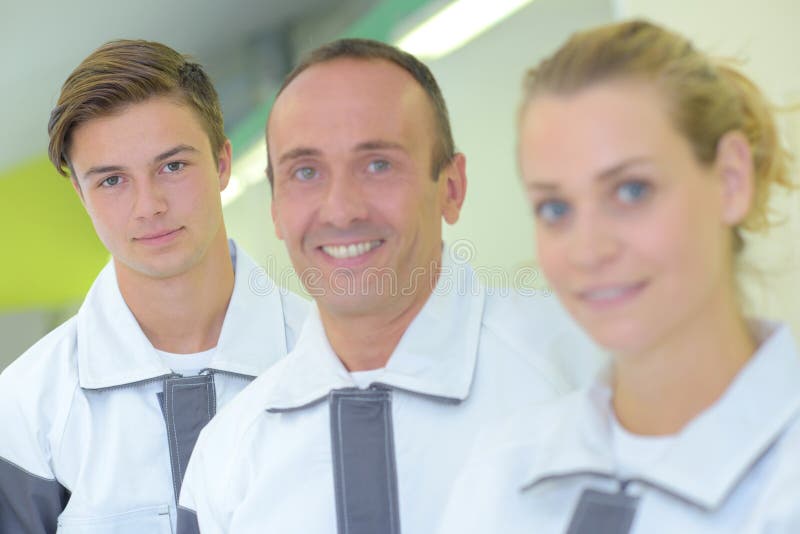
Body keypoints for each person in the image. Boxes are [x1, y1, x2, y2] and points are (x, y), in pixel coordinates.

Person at [177, 38, 598, 534]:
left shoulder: (587, 375)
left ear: (452, 188)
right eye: (306, 172)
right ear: (275, 210)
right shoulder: (228, 452)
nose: (341, 210)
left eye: (378, 164)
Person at [436, 19, 799, 533]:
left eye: (631, 191)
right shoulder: (502, 474)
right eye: (556, 208)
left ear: (731, 180)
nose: (589, 249)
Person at [0, 40, 307, 533]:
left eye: (173, 166)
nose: (149, 206)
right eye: (112, 181)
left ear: (222, 162)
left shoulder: (335, 363)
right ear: (80, 194)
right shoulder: (24, 408)